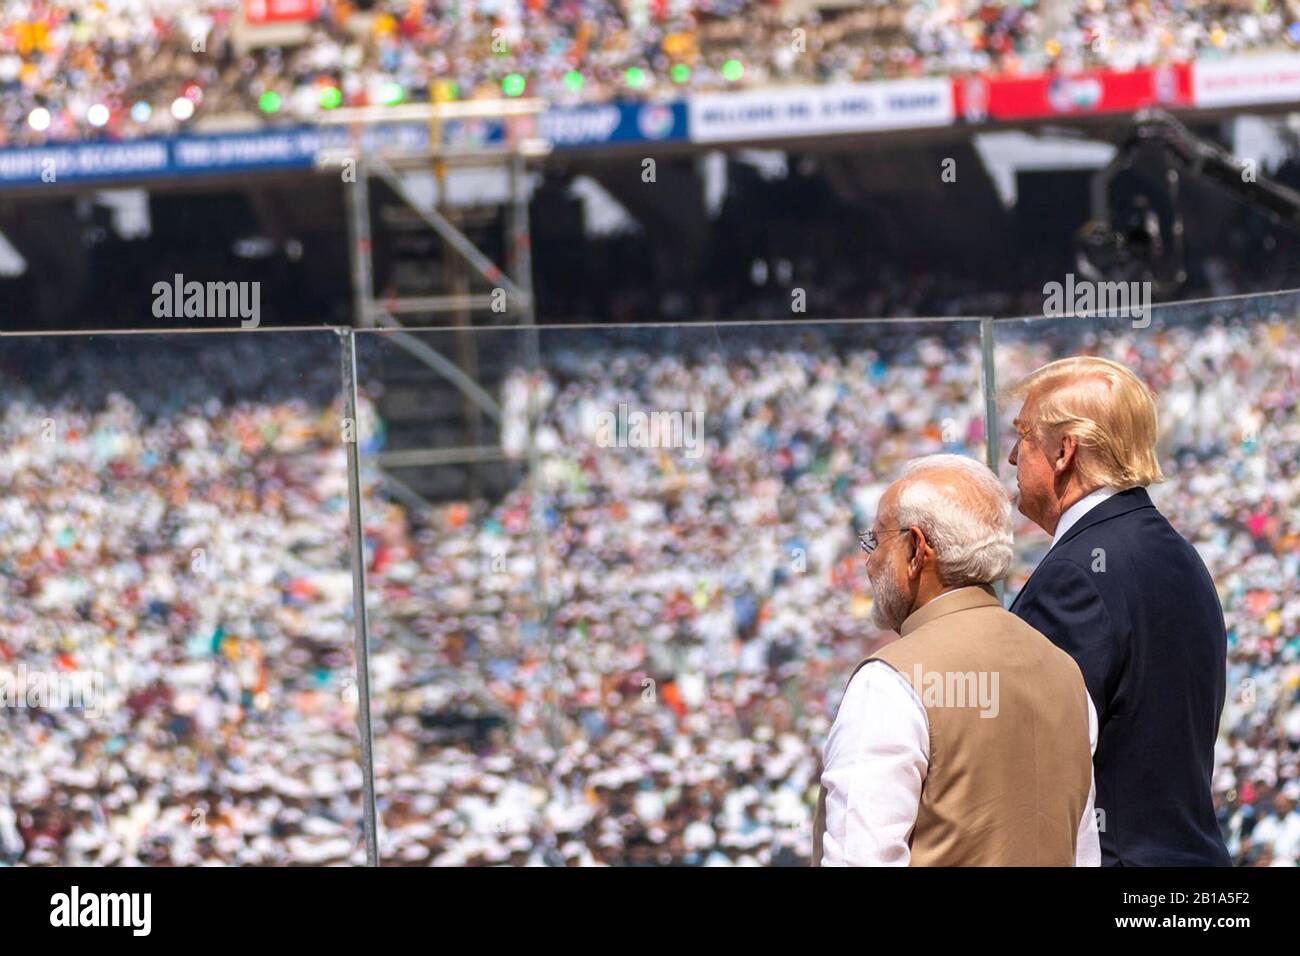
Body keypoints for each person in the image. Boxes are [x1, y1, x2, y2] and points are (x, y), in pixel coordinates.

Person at [812, 454, 1099, 866]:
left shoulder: (891, 682)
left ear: (916, 549)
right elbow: (1085, 854)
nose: (868, 561)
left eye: (875, 542)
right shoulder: (1067, 673)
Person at [1005, 355, 1231, 866]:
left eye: (1023, 436)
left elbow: (1036, 767)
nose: (1013, 457)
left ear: (1064, 451)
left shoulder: (1074, 577)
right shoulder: (1179, 554)